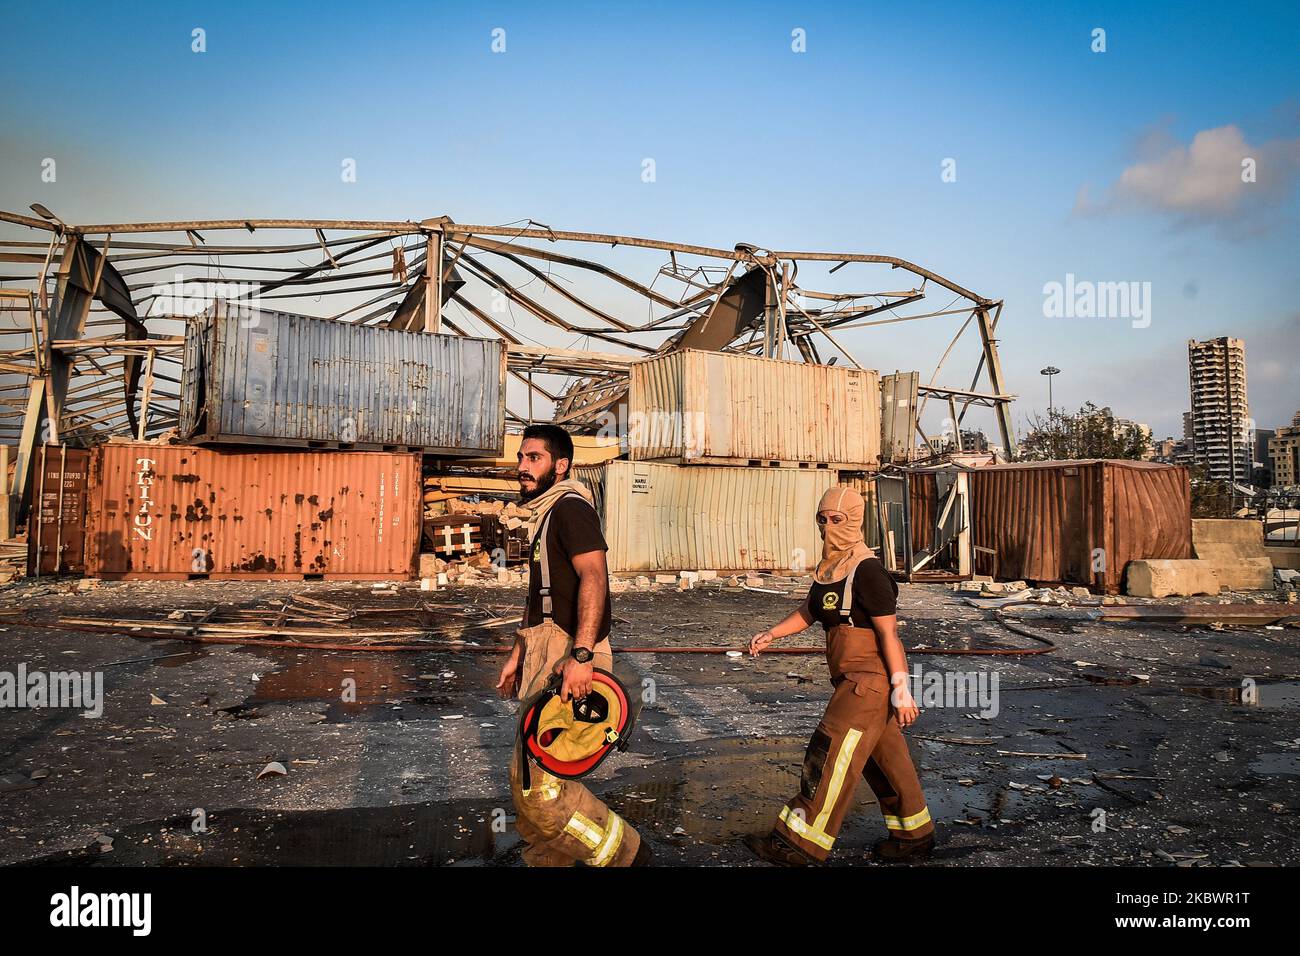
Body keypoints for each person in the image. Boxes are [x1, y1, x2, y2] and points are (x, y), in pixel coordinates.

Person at [745, 484, 935, 866]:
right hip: (849, 679)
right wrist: (772, 634)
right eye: (822, 519)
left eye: (838, 520)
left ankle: (797, 843)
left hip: (868, 682)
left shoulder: (868, 571)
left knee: (830, 754)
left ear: (855, 521)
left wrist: (901, 688)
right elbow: (810, 611)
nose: (829, 527)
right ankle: (914, 834)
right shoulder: (830, 569)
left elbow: (889, 634)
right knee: (887, 761)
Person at [495, 423, 647, 867]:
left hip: (572, 655)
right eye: (522, 458)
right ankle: (548, 860)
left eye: (534, 458)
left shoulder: (570, 509)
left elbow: (595, 579)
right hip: (549, 652)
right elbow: (542, 597)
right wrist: (519, 651)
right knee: (531, 774)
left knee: (540, 786)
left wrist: (581, 657)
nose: (522, 467)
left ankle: (625, 853)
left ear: (561, 465)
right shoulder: (545, 514)